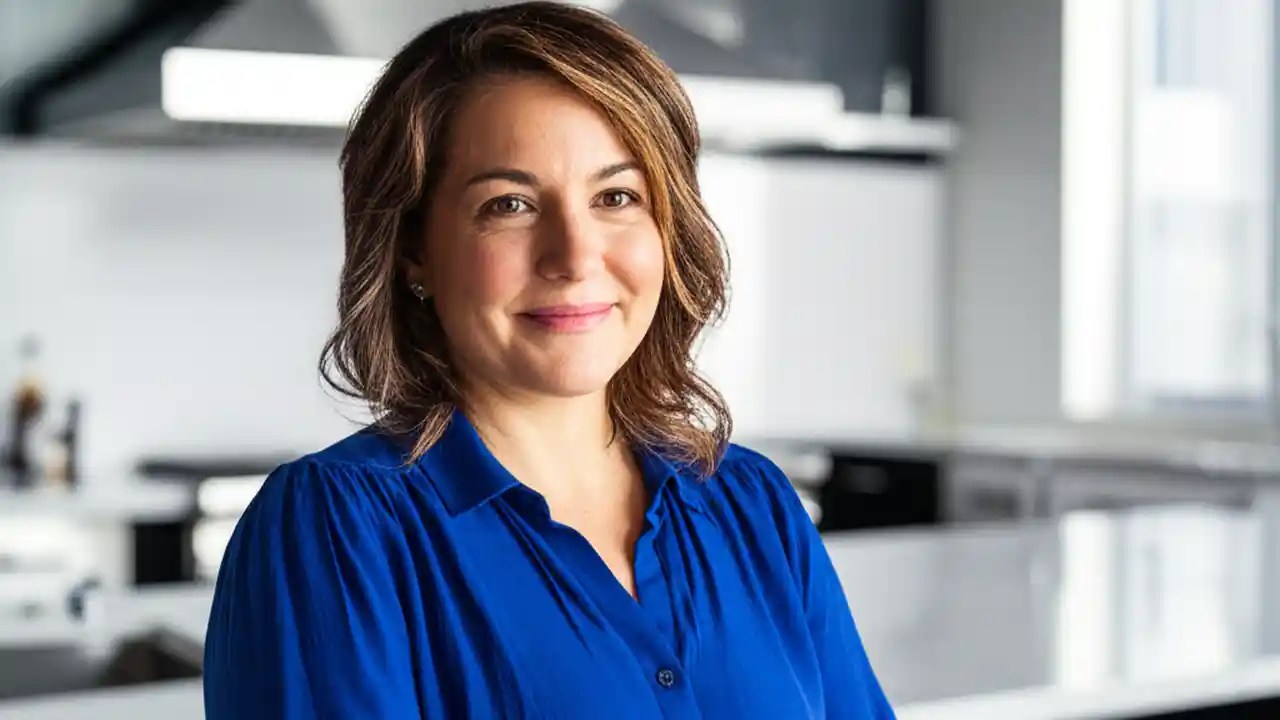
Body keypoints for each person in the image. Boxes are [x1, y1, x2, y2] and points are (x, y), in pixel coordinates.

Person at [202, 2, 894, 718]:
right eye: (510, 205)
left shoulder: (753, 505)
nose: (574, 256)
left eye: (616, 196)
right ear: (414, 251)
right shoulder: (339, 532)